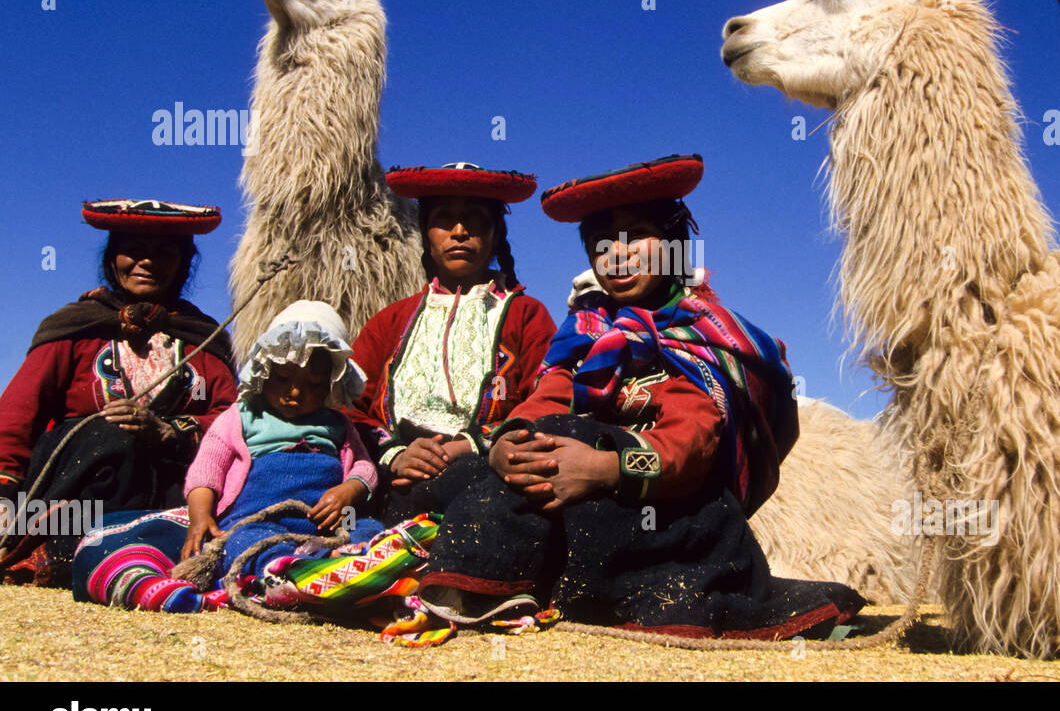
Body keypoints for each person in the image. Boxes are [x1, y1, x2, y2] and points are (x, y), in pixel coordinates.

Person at [379, 155, 864, 642]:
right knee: (473, 468)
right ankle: (474, 577)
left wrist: (603, 468)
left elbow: (694, 440)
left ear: (674, 246)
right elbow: (547, 396)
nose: (618, 256)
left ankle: (477, 584)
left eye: (636, 236)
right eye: (602, 246)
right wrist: (507, 442)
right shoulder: (584, 334)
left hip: (673, 511)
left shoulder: (696, 338)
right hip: (584, 501)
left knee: (569, 435)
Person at [71, 301, 388, 613]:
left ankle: (347, 565)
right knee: (240, 541)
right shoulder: (244, 416)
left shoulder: (336, 424)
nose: (295, 392)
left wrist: (351, 489)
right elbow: (207, 468)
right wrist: (200, 516)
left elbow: (363, 466)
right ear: (265, 370)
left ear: (332, 383)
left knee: (368, 526)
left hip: (323, 530)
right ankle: (283, 571)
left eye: (313, 385)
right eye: (283, 379)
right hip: (258, 522)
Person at [0, 199, 237, 583]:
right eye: (135, 250)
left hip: (168, 489)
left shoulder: (204, 338)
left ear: (184, 263)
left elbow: (234, 420)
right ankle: (57, 550)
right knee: (111, 436)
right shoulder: (74, 328)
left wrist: (170, 430)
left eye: (164, 252)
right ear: (113, 259)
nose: (147, 262)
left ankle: (141, 553)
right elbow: (17, 413)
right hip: (82, 485)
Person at [346, 163, 556, 524]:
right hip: (395, 481)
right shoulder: (390, 321)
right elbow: (347, 406)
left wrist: (472, 446)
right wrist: (394, 453)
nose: (460, 232)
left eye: (475, 220)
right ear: (427, 233)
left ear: (495, 233)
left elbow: (550, 396)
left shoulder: (526, 315)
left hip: (488, 478)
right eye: (445, 220)